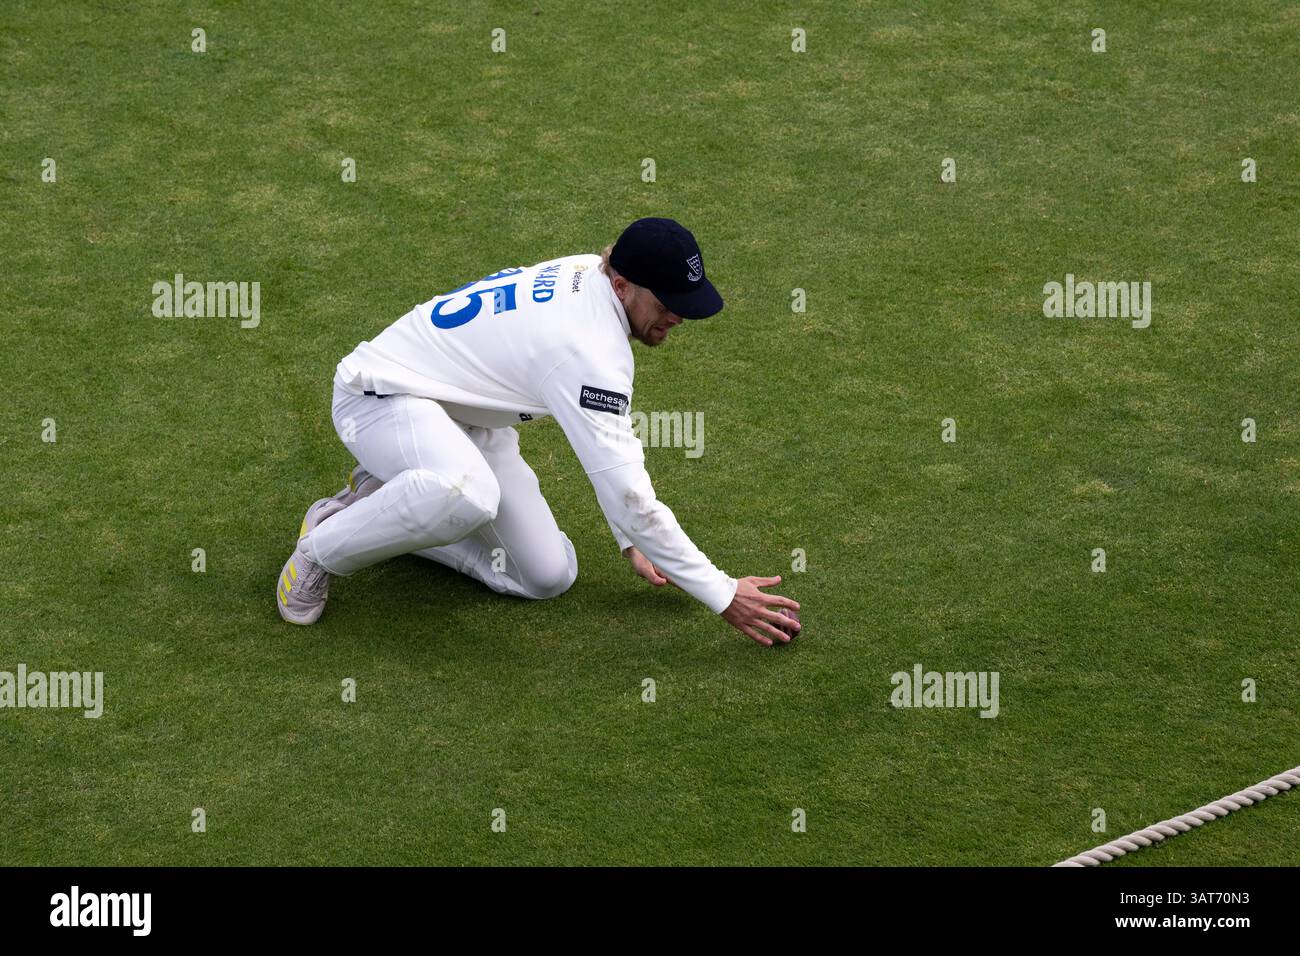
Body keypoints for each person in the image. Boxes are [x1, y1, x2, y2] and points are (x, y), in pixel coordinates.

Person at [275, 217, 800, 646]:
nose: (678, 319)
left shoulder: (590, 272)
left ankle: (387, 499)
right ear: (620, 284)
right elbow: (629, 494)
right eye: (666, 304)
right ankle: (319, 550)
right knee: (467, 493)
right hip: (382, 399)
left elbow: (608, 457)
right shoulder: (588, 352)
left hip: (465, 413)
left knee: (548, 575)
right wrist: (724, 593)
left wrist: (630, 542)